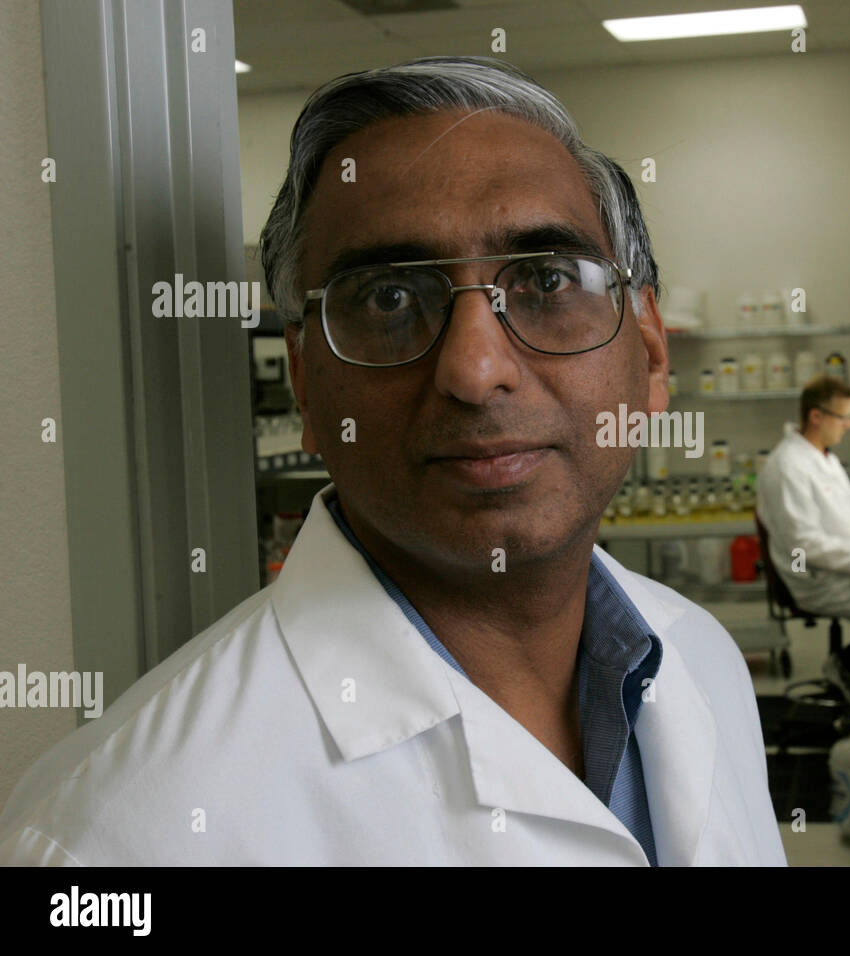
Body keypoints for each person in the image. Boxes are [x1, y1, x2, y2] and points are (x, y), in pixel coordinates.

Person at [0, 57, 785, 866]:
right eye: (389, 298)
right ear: (305, 381)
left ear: (651, 356)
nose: (476, 371)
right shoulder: (114, 836)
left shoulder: (699, 659)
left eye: (548, 280)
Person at [756, 375, 850, 709]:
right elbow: (802, 547)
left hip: (846, 567)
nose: (849, 425)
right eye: (843, 417)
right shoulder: (787, 466)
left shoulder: (825, 459)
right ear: (816, 416)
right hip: (818, 580)